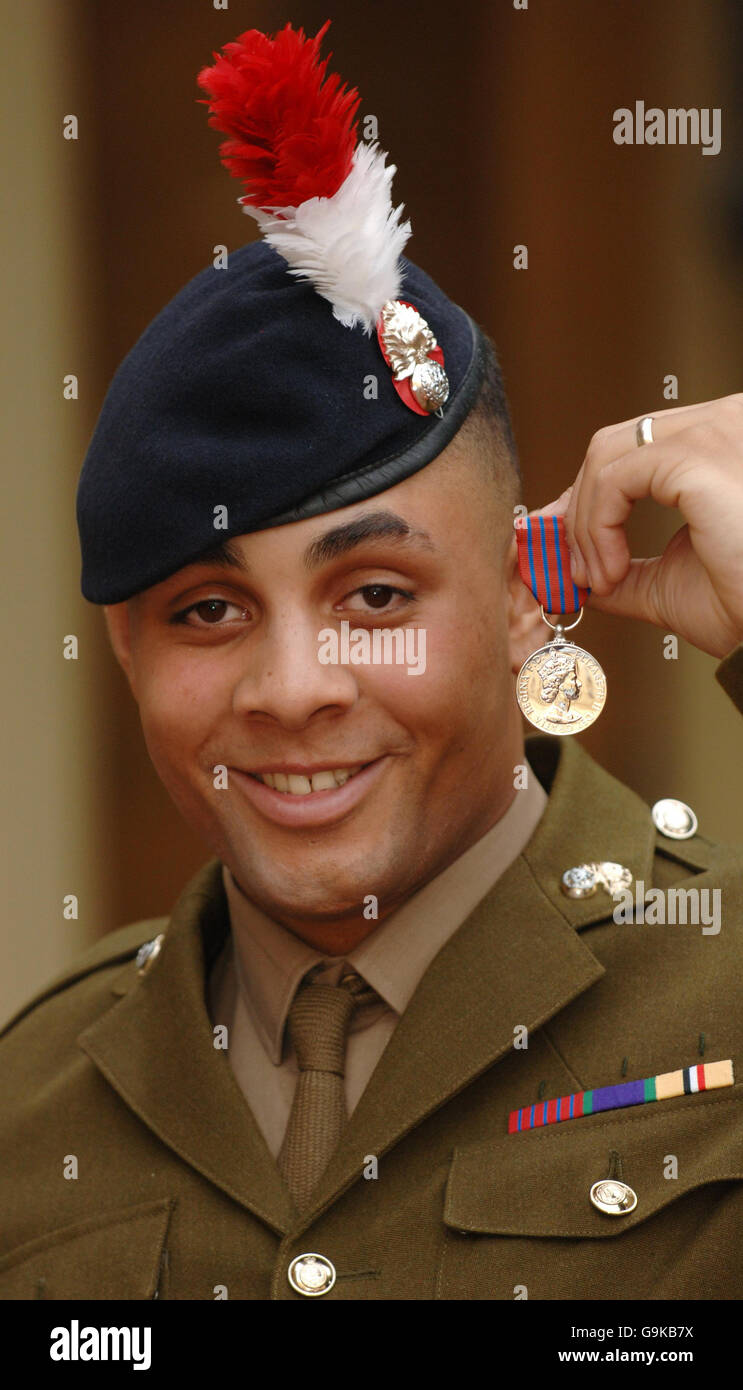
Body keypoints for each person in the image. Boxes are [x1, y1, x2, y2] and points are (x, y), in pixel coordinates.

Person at [1, 21, 741, 1302]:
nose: (295, 686)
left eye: (378, 591)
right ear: (124, 651)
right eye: (206, 613)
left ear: (527, 594)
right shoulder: (33, 1092)